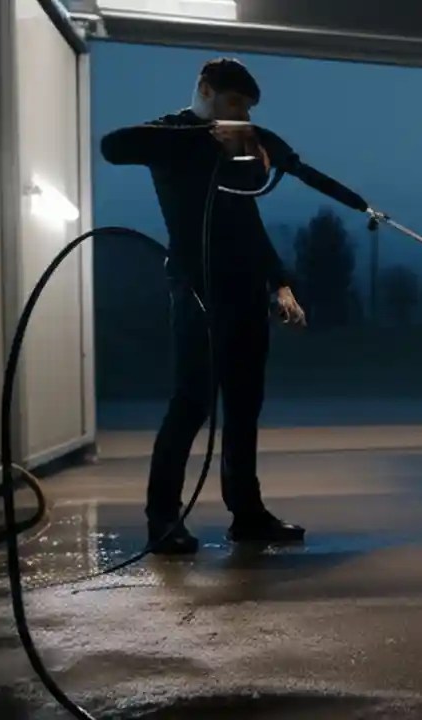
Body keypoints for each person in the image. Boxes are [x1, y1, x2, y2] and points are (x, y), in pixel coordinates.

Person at [101, 58, 307, 554]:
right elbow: (113, 146)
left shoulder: (235, 152)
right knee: (191, 404)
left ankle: (248, 515)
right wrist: (200, 135)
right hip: (196, 289)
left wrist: (280, 284)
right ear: (206, 89)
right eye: (235, 104)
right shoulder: (171, 134)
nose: (241, 116)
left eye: (248, 109)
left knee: (243, 408)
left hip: (245, 293)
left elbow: (247, 219)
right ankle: (163, 521)